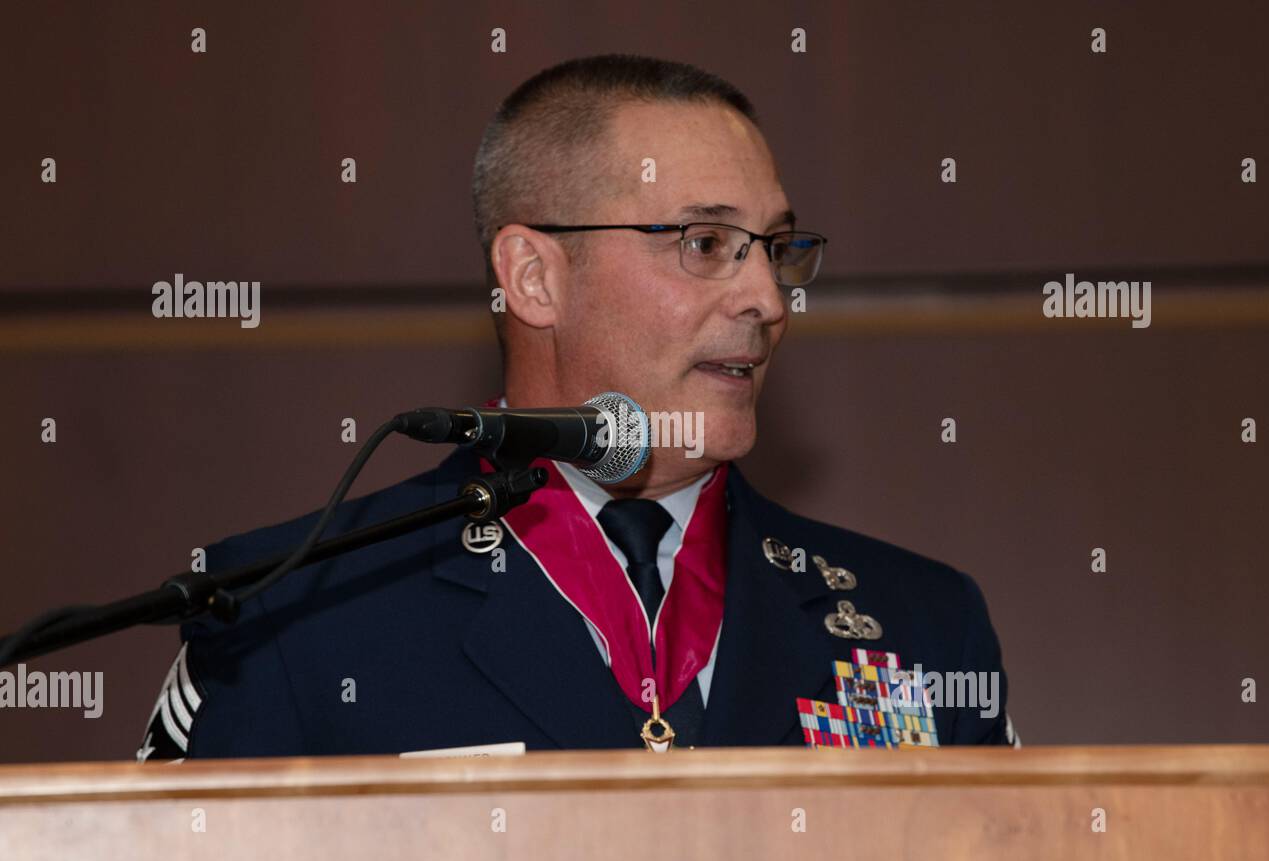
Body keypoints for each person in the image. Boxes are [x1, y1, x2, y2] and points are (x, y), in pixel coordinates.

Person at [138, 54, 1016, 761]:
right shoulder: (291, 616)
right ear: (535, 277)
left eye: (776, 249)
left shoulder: (923, 624)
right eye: (707, 243)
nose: (768, 298)